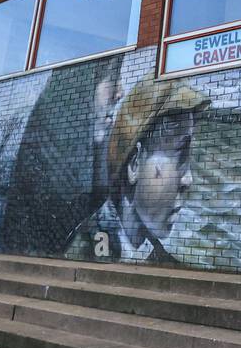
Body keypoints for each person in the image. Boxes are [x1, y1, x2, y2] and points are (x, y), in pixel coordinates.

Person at [64, 77, 209, 263]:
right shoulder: (83, 250)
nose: (188, 179)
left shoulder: (161, 261)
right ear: (134, 164)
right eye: (178, 154)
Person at [0, 54, 124, 256]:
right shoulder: (45, 171)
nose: (120, 92)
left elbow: (97, 197)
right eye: (112, 80)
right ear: (82, 93)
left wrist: (99, 139)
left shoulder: (79, 154)